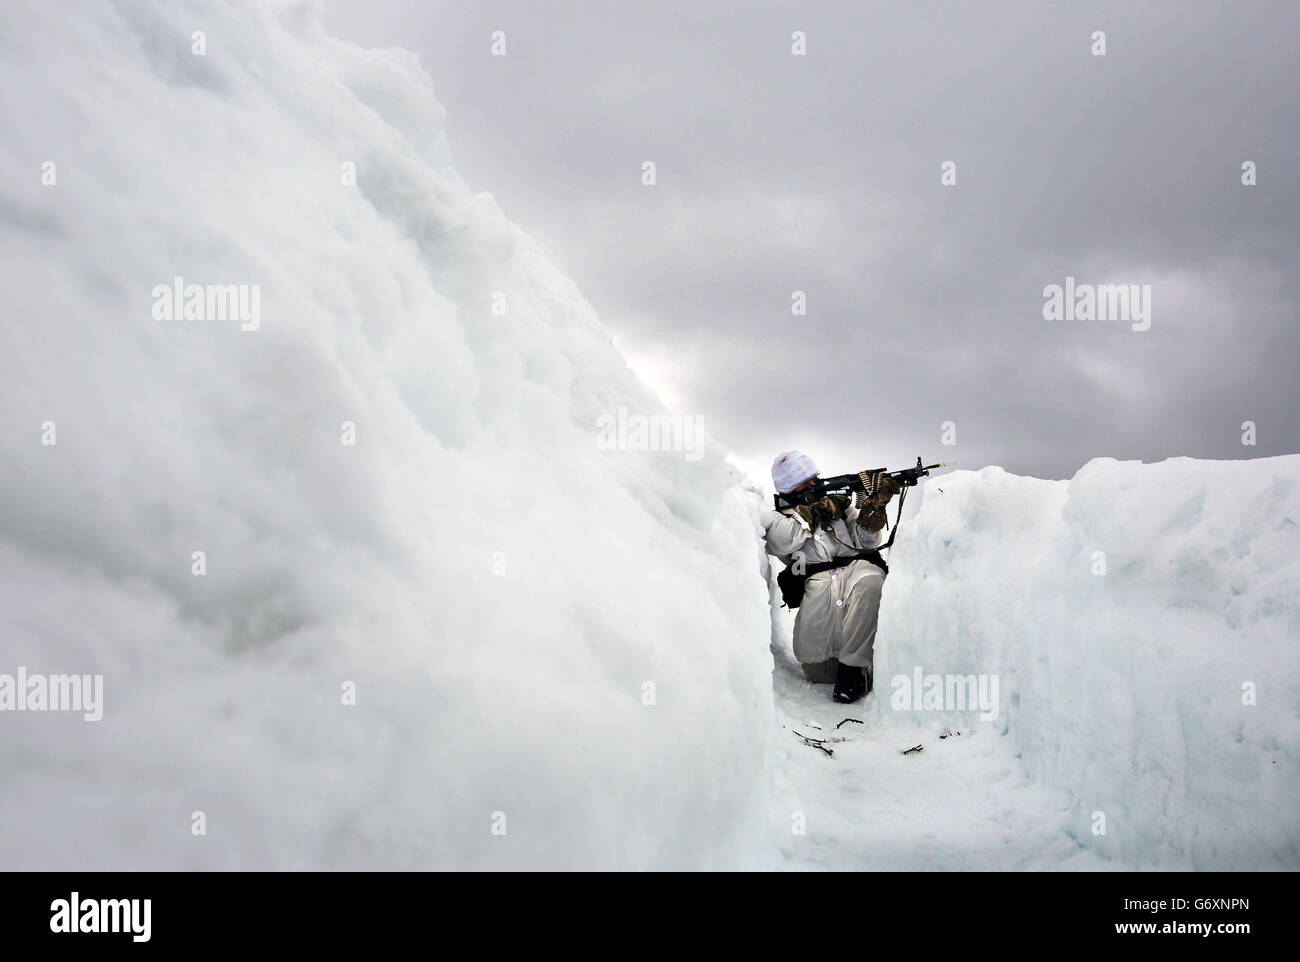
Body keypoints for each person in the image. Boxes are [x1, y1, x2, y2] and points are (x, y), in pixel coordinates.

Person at [763, 450, 899, 703]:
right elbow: (781, 541)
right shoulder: (778, 517)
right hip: (817, 585)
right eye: (805, 482)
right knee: (819, 673)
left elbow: (866, 542)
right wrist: (817, 512)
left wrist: (873, 511)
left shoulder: (839, 506)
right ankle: (847, 667)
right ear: (789, 488)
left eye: (814, 478)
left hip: (854, 569)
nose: (813, 484)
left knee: (871, 582)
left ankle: (854, 668)